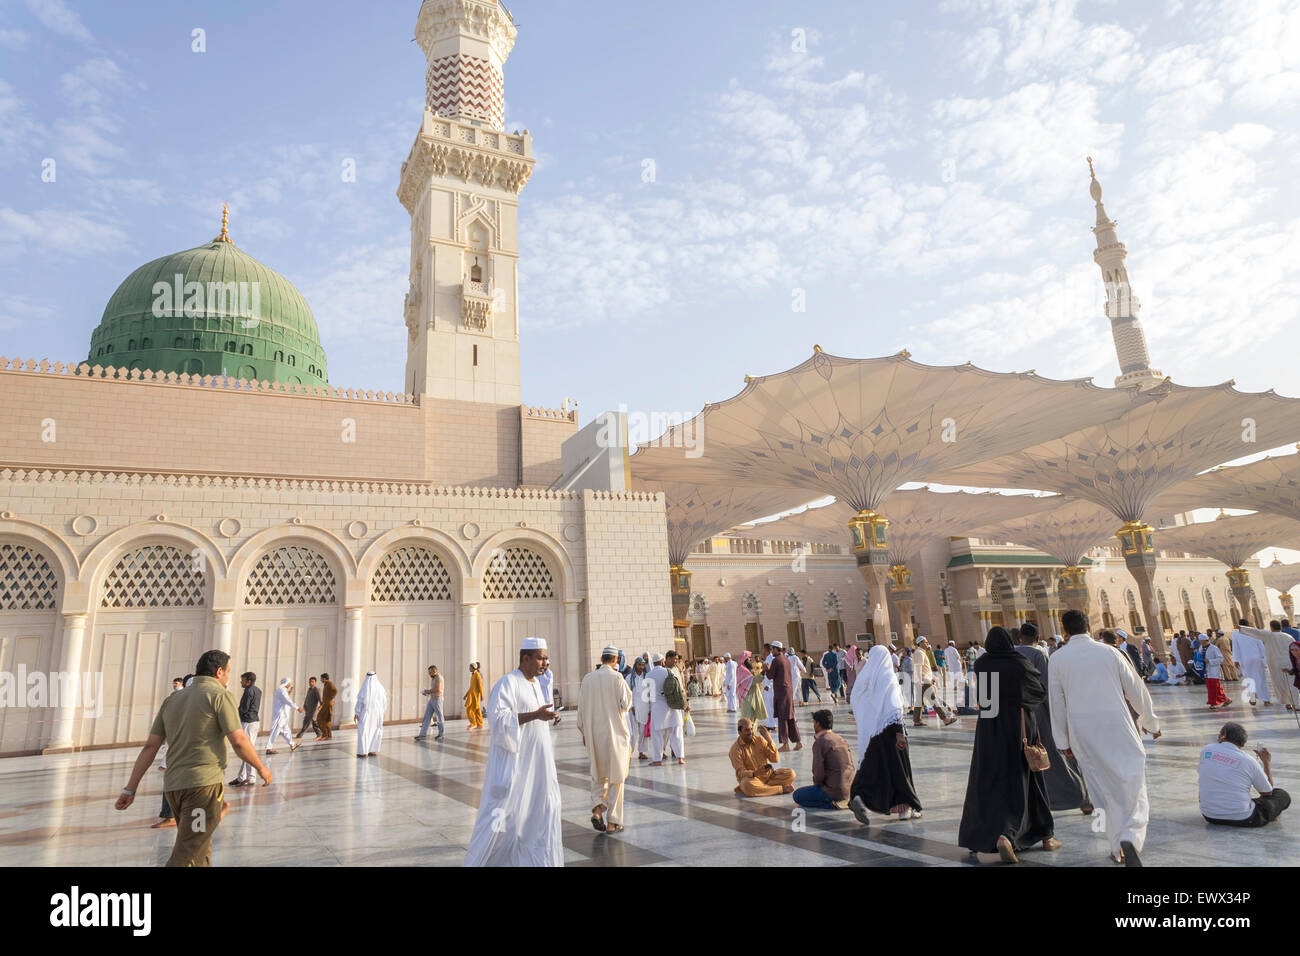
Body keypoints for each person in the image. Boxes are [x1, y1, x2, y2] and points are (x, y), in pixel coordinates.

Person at [115, 649, 271, 867]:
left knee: (200, 850)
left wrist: (130, 789)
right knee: (188, 851)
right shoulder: (219, 695)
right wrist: (261, 768)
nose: (228, 677)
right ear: (219, 672)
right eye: (227, 672)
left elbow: (151, 746)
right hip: (202, 788)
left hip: (174, 787)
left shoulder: (172, 700)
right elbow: (238, 740)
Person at [1050, 609, 1161, 866]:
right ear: (1088, 626)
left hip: (1082, 731)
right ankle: (1131, 837)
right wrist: (1150, 722)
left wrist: (1062, 742)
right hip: (1117, 724)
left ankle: (1117, 847)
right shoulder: (1109, 652)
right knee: (1133, 783)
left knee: (1103, 790)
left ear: (1064, 629)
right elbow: (1136, 689)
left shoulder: (1057, 658)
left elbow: (1056, 703)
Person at [958, 627, 1058, 863]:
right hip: (1017, 727)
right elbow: (1038, 692)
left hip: (989, 731)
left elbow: (985, 699)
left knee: (990, 780)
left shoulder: (982, 664)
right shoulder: (1018, 662)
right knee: (1026, 780)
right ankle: (1029, 835)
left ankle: (982, 836)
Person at [463, 637, 563, 866]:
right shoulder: (507, 683)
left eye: (546, 658)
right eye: (540, 658)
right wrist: (536, 715)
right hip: (516, 766)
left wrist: (547, 717)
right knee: (505, 819)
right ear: (525, 658)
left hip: (539, 766)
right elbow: (498, 721)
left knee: (543, 811)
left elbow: (536, 715)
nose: (544, 663)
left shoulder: (536, 683)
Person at [1014, 623, 1091, 815]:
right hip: (1039, 711)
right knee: (1056, 757)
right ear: (1038, 637)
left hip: (1018, 713)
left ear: (1019, 638)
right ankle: (1080, 798)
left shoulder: (1011, 655)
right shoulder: (1038, 654)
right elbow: (1046, 688)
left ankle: (1034, 803)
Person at [849, 645, 922, 824]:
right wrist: (899, 734)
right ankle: (905, 808)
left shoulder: (867, 679)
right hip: (892, 730)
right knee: (899, 769)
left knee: (873, 768)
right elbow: (894, 706)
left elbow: (855, 700)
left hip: (874, 735)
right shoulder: (888, 677)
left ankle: (859, 795)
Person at [576, 646, 633, 833]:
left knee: (598, 774)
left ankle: (597, 809)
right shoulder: (617, 678)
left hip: (594, 735)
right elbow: (625, 704)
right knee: (617, 777)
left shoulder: (587, 679)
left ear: (601, 658)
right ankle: (613, 822)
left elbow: (581, 712)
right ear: (615, 660)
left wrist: (585, 733)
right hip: (615, 734)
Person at [1199, 722, 1290, 828]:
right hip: (1244, 818)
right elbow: (1267, 792)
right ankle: (1271, 815)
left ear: (1223, 735)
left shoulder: (1206, 750)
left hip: (1210, 816)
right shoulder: (1248, 760)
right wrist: (1266, 763)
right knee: (1281, 795)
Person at [792, 709, 852, 810]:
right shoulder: (840, 738)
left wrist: (819, 786)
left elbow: (818, 773)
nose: (813, 725)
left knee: (797, 795)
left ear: (818, 724)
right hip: (848, 789)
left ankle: (832, 804)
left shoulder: (820, 742)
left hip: (832, 791)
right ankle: (843, 800)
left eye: (814, 722)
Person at [151, 677, 186, 828]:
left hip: (178, 750)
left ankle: (170, 815)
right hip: (186, 750)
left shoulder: (176, 700)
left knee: (171, 781)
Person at [729, 718, 795, 797]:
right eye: (747, 730)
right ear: (739, 732)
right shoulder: (735, 749)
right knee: (747, 785)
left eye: (751, 729)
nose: (750, 732)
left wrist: (769, 739)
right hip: (753, 780)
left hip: (769, 777)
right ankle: (781, 789)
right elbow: (740, 773)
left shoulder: (759, 740)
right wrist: (754, 773)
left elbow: (775, 759)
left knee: (791, 773)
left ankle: (764, 788)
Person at [648, 650, 687, 765]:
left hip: (657, 707)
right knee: (676, 732)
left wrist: (647, 709)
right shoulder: (669, 672)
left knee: (657, 735)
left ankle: (657, 759)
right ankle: (680, 758)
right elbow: (678, 690)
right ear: (662, 661)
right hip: (672, 706)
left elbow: (646, 696)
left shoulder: (649, 675)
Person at [764, 640, 802, 750]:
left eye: (773, 649)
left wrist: (766, 669)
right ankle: (798, 742)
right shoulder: (786, 659)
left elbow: (770, 676)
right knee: (790, 717)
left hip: (781, 691)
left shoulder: (776, 660)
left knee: (782, 717)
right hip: (788, 691)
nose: (772, 652)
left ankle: (785, 744)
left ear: (776, 649)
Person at [911, 637, 956, 727]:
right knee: (933, 699)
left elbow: (925, 668)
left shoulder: (921, 652)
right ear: (920, 643)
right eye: (925, 642)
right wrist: (921, 680)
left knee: (919, 701)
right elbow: (918, 667)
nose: (927, 643)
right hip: (924, 681)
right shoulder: (920, 653)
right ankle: (945, 719)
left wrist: (932, 677)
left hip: (924, 680)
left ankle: (917, 720)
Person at [231, 672, 263, 786]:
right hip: (254, 721)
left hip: (248, 722)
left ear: (248, 681)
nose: (241, 682)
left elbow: (244, 708)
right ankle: (242, 777)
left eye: (243, 680)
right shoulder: (258, 690)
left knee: (247, 750)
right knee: (248, 749)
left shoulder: (248, 691)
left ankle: (251, 777)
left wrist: (233, 717)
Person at [1230, 622, 1269, 706]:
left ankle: (1252, 697)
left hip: (1245, 659)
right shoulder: (1254, 631)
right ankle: (1266, 700)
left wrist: (1236, 660)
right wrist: (1265, 660)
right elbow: (1261, 645)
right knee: (1261, 679)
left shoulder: (1236, 633)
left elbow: (1235, 647)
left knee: (1249, 679)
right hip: (1257, 658)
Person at [354, 671, 387, 757]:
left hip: (367, 713)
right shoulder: (380, 687)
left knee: (364, 731)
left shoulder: (365, 688)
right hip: (377, 714)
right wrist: (383, 712)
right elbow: (384, 701)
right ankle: (373, 750)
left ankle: (364, 752)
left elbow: (360, 701)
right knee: (375, 730)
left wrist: (357, 712)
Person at [265, 677, 302, 754]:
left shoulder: (281, 690)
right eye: (289, 683)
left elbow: (284, 699)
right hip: (280, 715)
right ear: (287, 683)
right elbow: (287, 701)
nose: (290, 684)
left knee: (286, 731)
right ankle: (269, 748)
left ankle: (292, 744)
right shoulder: (282, 691)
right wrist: (297, 708)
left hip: (283, 716)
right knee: (275, 730)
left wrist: (289, 693)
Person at [627, 656, 651, 759]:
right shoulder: (629, 678)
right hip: (633, 708)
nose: (641, 667)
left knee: (642, 731)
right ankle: (629, 752)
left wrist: (650, 708)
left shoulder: (647, 678)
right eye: (639, 665)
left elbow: (650, 693)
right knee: (633, 732)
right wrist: (631, 706)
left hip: (645, 708)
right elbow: (627, 693)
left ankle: (641, 752)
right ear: (635, 665)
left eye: (643, 665)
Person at [415, 664, 445, 740]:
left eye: (430, 673)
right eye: (429, 673)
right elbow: (433, 689)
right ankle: (422, 734)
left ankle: (441, 734)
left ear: (435, 671)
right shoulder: (434, 678)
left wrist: (428, 691)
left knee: (439, 717)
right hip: (432, 699)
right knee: (427, 717)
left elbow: (438, 689)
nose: (429, 674)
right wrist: (427, 692)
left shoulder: (439, 678)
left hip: (438, 699)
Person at [738, 653, 767, 729]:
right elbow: (752, 681)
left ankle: (753, 736)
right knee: (748, 719)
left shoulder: (748, 669)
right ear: (745, 659)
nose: (750, 660)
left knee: (754, 718)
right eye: (749, 658)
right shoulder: (742, 670)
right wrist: (763, 673)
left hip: (753, 695)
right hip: (748, 697)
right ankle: (747, 737)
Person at [1203, 634, 1231, 708]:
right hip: (1207, 672)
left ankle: (1213, 703)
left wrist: (1210, 661)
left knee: (1214, 688)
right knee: (1215, 688)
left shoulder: (1214, 648)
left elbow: (1220, 659)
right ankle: (1226, 699)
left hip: (1214, 671)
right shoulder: (1201, 648)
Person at [464, 662, 485, 730]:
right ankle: (480, 724)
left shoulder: (477, 675)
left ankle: (473, 723)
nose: (469, 669)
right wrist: (466, 695)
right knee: (477, 710)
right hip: (471, 695)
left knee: (469, 710)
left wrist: (482, 695)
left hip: (475, 696)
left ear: (473, 668)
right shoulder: (473, 675)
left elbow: (480, 686)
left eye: (470, 667)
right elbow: (471, 687)